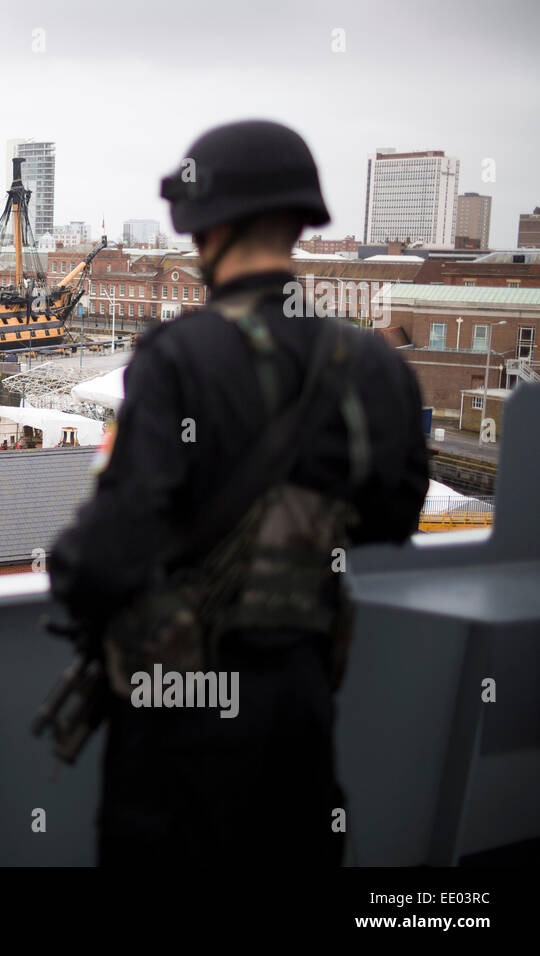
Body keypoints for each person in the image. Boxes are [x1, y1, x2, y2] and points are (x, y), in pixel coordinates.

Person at [49, 120, 429, 866]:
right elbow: (393, 515)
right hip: (301, 699)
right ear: (300, 219)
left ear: (203, 225)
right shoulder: (372, 365)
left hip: (178, 710)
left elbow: (113, 544)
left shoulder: (177, 358)